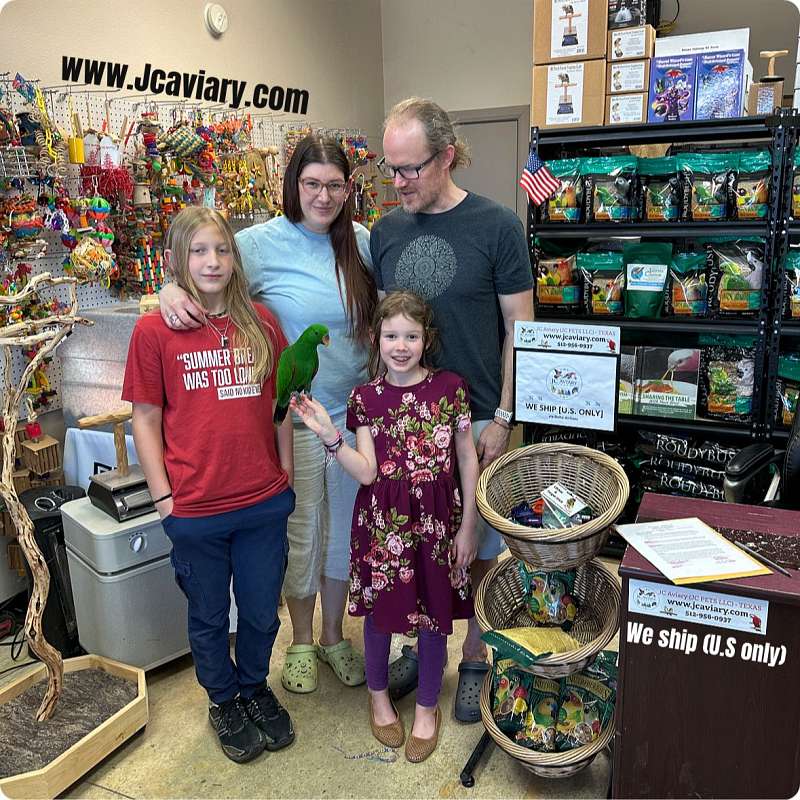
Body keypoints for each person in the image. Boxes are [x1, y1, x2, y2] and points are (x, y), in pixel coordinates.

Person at [157, 135, 377, 695]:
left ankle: (334, 637)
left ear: (347, 188)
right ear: (292, 184)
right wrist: (166, 290)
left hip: (355, 421)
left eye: (334, 184)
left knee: (343, 538)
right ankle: (300, 641)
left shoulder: (362, 243)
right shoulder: (257, 244)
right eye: (311, 183)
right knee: (301, 535)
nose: (323, 195)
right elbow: (205, 269)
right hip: (293, 421)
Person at [369, 97, 534, 722]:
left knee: (484, 542)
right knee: (417, 540)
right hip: (409, 426)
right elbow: (389, 331)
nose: (398, 182)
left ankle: (475, 656)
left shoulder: (497, 227)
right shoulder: (384, 232)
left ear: (445, 157)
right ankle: (424, 640)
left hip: (484, 416)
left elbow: (522, 326)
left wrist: (505, 416)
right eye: (391, 168)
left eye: (410, 169)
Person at [122, 207, 295, 763]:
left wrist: (285, 471)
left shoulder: (262, 322)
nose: (212, 261)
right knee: (209, 614)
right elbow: (145, 418)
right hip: (194, 508)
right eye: (198, 251)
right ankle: (222, 699)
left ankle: (253, 686)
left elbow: (282, 403)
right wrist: (163, 497)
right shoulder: (155, 330)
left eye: (221, 249)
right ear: (179, 260)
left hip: (263, 500)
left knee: (263, 609)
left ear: (234, 258)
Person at [290, 291, 479, 762]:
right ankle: (378, 699)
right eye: (391, 335)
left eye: (411, 336)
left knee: (435, 616)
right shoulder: (365, 398)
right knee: (380, 617)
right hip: (382, 529)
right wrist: (328, 435)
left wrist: (469, 525)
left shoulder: (451, 387)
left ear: (425, 339)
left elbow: (467, 459)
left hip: (438, 525)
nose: (401, 345)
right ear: (376, 339)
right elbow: (367, 472)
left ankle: (428, 708)